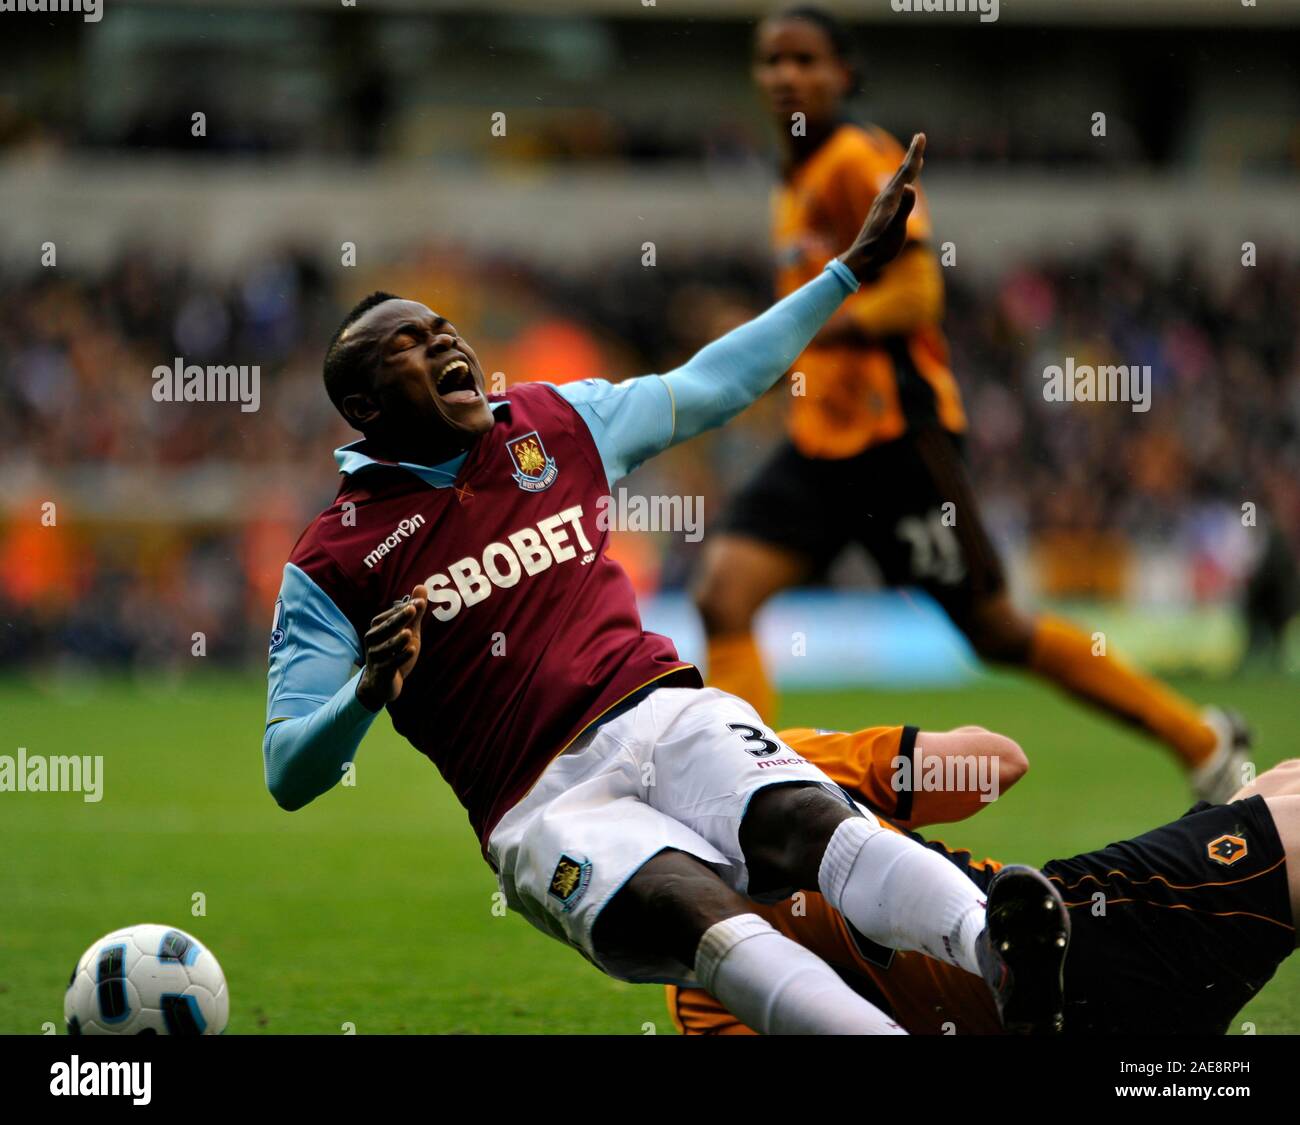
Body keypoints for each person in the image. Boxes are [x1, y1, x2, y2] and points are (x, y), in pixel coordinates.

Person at [261, 136, 1071, 1035]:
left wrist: (845, 273)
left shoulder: (555, 421)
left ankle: (994, 950)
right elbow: (290, 768)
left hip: (660, 706)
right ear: (366, 408)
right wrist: (366, 694)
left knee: (805, 815)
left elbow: (714, 383)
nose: (442, 339)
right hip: (541, 800)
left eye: (440, 327)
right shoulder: (333, 559)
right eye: (405, 344)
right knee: (697, 911)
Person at [692, 5, 1248, 802]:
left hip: (895, 440)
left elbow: (918, 293)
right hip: (821, 444)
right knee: (723, 592)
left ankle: (1201, 739)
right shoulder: (794, 177)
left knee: (997, 630)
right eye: (771, 61)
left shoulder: (856, 157)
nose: (785, 77)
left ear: (844, 73)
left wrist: (802, 335)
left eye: (805, 60)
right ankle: (746, 796)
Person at [667, 725, 1298, 1035]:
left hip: (1079, 998)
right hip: (1076, 941)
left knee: (1276, 784)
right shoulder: (772, 764)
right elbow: (998, 764)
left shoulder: (697, 980)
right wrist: (832, 756)